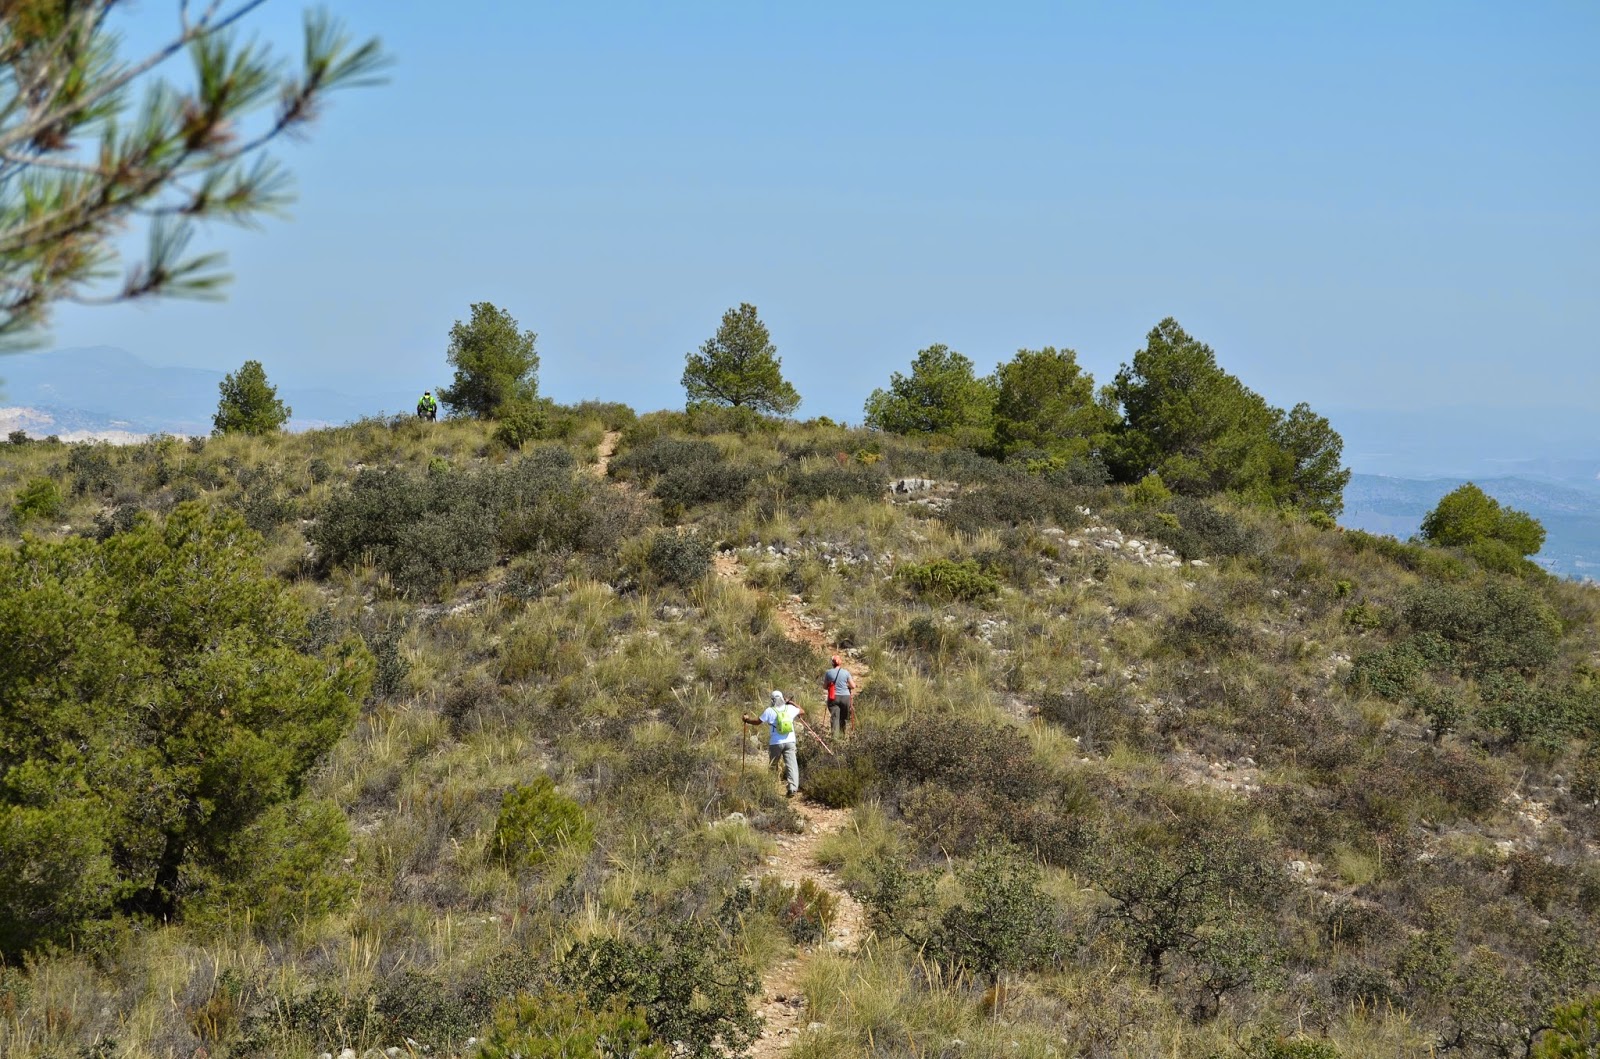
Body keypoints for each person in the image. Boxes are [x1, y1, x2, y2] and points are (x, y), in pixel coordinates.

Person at [744, 690, 805, 797]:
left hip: (775, 743)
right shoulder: (790, 708)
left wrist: (747, 720)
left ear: (772, 700)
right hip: (790, 741)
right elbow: (802, 711)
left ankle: (771, 787)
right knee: (792, 765)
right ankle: (792, 788)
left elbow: (758, 722)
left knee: (773, 765)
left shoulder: (769, 711)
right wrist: (791, 702)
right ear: (782, 698)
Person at [822, 654, 857, 737]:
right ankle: (842, 735)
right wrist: (846, 686)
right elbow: (853, 686)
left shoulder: (828, 673)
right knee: (843, 717)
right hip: (845, 697)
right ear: (840, 663)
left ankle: (835, 738)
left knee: (835, 717)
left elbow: (824, 686)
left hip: (833, 697)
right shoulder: (846, 672)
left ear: (832, 663)